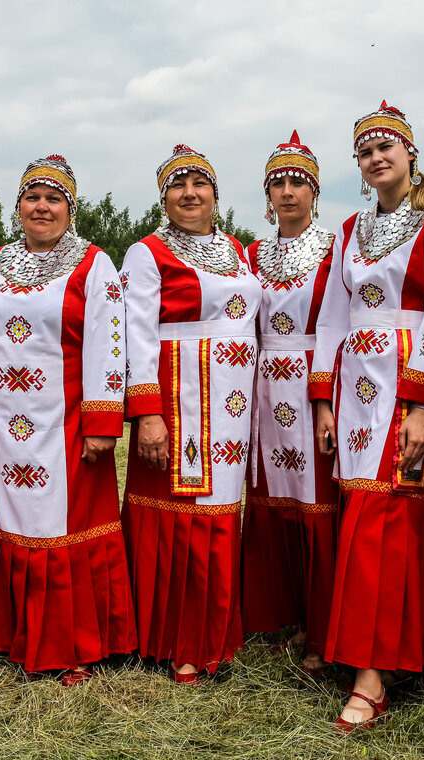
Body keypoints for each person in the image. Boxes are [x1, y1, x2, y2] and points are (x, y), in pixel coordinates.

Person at [309, 102, 424, 727]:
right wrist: (323, 399)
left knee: (385, 516)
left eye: (388, 147)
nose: (377, 157)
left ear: (411, 154)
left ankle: (371, 674)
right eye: (366, 151)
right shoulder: (350, 229)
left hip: (409, 378)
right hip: (356, 384)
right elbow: (331, 314)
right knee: (381, 511)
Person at [0, 155, 136, 684]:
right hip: (2, 420)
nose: (42, 207)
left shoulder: (94, 263)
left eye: (54, 199)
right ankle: (7, 630)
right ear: (18, 206)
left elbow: (112, 343)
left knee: (63, 520)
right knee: (9, 517)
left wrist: (102, 421)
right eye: (32, 197)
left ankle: (73, 641)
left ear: (70, 208)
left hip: (65, 417)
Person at [122, 144, 261, 683]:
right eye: (178, 186)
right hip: (180, 401)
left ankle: (216, 634)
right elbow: (135, 336)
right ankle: (177, 639)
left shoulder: (237, 252)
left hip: (233, 401)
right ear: (165, 199)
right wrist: (148, 413)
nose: (189, 193)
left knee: (222, 509)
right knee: (180, 515)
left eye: (199, 184)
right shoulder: (145, 252)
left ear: (216, 195)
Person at [241, 132, 339, 674]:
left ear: (315, 190)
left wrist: (326, 392)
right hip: (262, 385)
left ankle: (326, 631)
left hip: (312, 382)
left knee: (316, 507)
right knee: (278, 509)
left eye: (297, 181)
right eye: (277, 182)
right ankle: (297, 618)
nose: (287, 191)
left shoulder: (336, 248)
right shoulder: (252, 253)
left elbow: (336, 325)